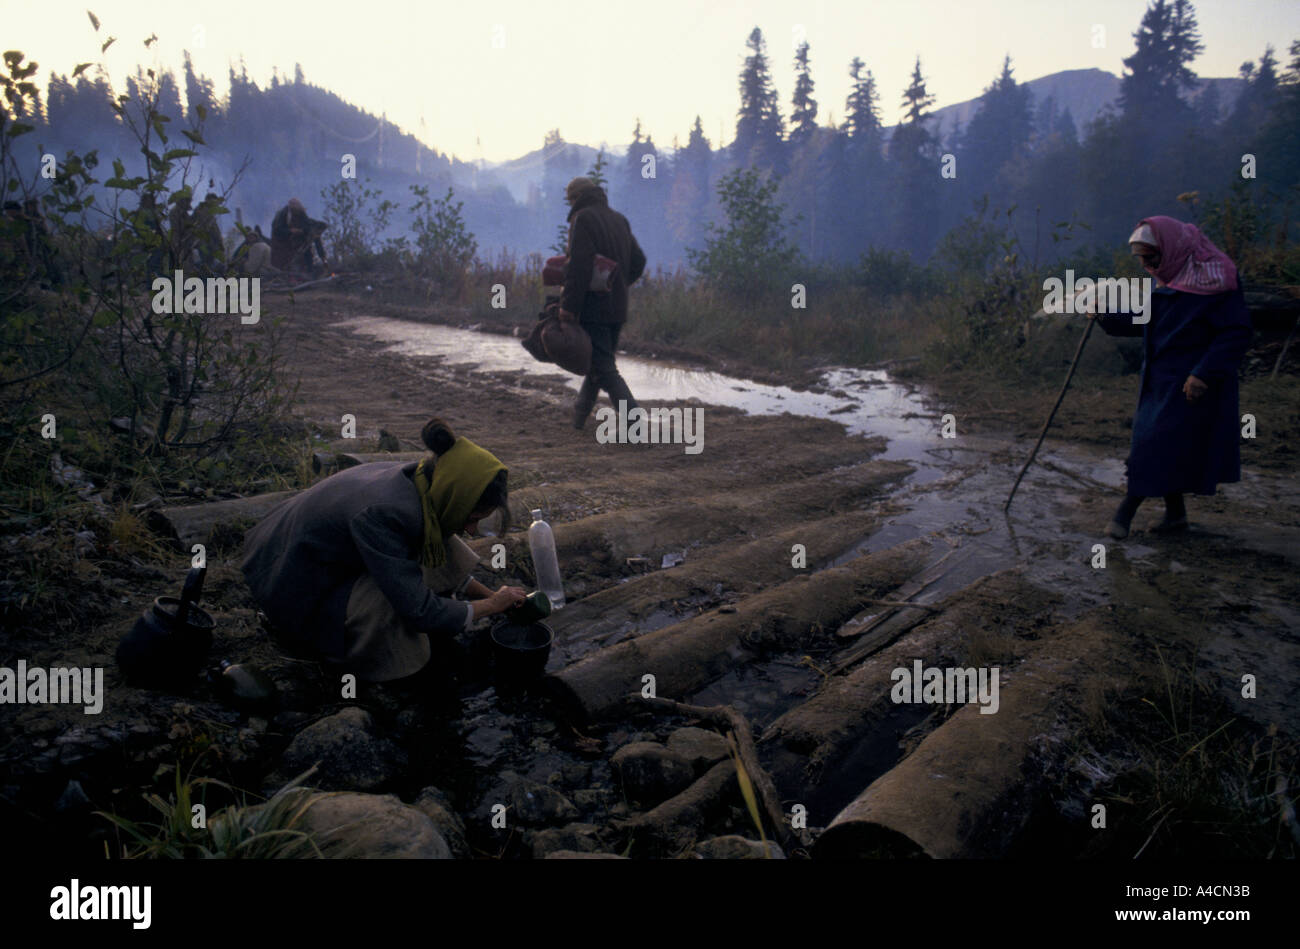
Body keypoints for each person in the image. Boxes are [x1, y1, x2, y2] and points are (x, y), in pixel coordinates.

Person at [241, 418, 527, 682]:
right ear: (454, 497)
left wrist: (492, 597)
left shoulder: (423, 481)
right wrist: (490, 606)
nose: (473, 531)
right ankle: (348, 654)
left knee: (443, 536)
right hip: (287, 583)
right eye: (473, 518)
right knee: (392, 607)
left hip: (306, 554)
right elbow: (420, 612)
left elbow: (431, 550)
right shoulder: (385, 514)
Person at [1091, 216, 1253, 539]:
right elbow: (1149, 321)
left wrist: (1203, 373)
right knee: (1165, 444)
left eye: (1150, 256)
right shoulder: (1169, 275)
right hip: (1158, 379)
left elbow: (1236, 331)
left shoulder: (1216, 281)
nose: (1146, 264)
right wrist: (1105, 316)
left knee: (1152, 445)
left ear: (1169, 248)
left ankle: (1124, 512)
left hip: (1191, 382)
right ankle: (1176, 516)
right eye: (1141, 259)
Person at [557, 177, 647, 430]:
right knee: (598, 364)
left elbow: (579, 266)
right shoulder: (619, 219)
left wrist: (568, 307)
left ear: (575, 198)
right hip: (617, 307)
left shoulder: (583, 219)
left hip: (593, 308)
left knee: (603, 368)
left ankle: (633, 420)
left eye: (569, 201)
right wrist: (619, 284)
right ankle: (578, 419)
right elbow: (639, 260)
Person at [271, 197, 328, 273]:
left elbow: (317, 243)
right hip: (283, 243)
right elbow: (277, 230)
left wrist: (323, 258)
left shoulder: (306, 220)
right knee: (286, 264)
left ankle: (308, 273)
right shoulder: (283, 214)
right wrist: (291, 231)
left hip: (298, 243)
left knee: (307, 256)